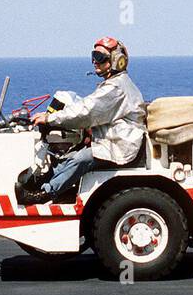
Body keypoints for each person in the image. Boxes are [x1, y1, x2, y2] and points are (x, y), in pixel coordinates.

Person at [17, 37, 146, 204]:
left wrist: (50, 119)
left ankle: (44, 194)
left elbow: (86, 112)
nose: (94, 61)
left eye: (99, 57)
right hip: (117, 138)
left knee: (82, 159)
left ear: (116, 61)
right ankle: (47, 181)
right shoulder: (116, 83)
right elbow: (92, 109)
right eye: (93, 56)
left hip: (122, 144)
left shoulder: (115, 88)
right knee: (73, 153)